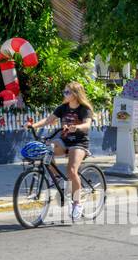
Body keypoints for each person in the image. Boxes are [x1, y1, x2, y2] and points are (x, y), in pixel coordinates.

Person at [26, 82, 95, 220]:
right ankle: (57, 177)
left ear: (75, 94)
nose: (65, 94)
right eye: (64, 92)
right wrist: (33, 126)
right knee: (45, 150)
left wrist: (77, 127)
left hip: (79, 142)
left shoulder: (84, 109)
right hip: (64, 141)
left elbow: (87, 125)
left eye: (67, 92)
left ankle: (77, 203)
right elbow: (49, 120)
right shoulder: (63, 108)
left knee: (72, 171)